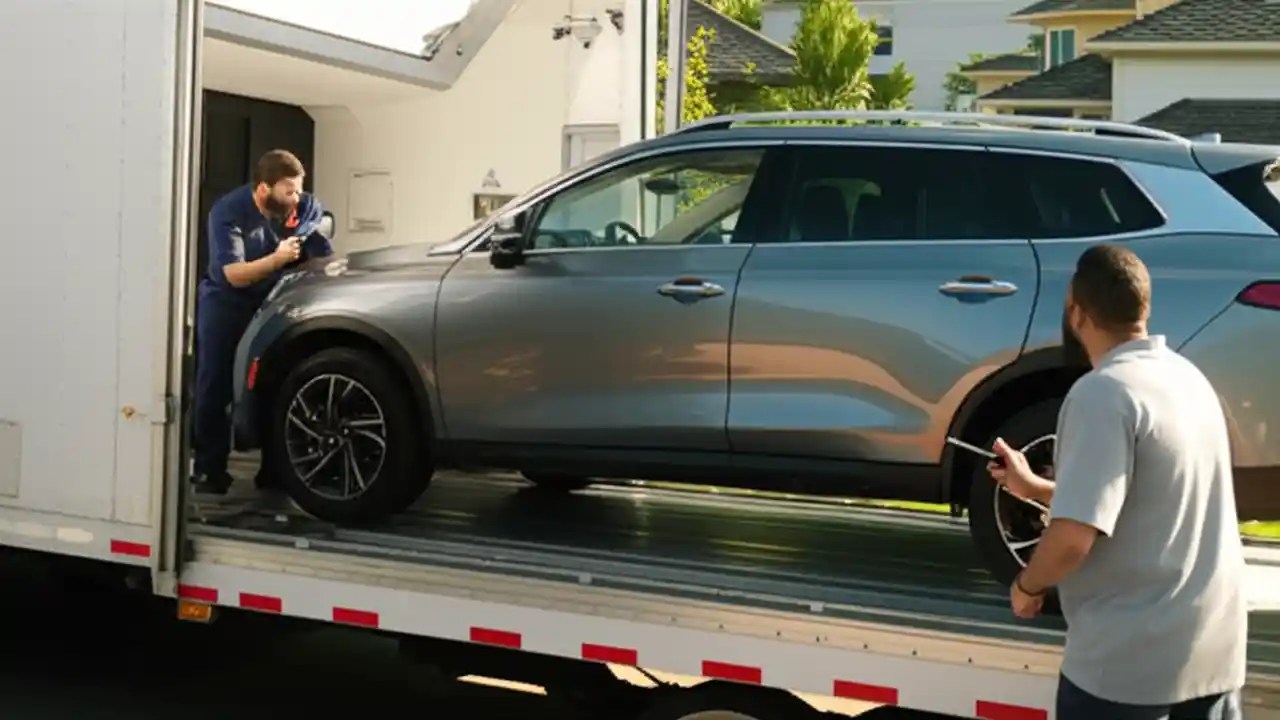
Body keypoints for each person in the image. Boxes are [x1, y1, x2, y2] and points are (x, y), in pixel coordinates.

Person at [989, 243, 1247, 720]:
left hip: (1129, 672)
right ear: (1143, 307)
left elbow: (1072, 539)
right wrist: (1036, 489)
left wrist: (1027, 585)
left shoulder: (1102, 393)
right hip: (1213, 658)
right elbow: (1150, 498)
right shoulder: (1187, 378)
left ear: (1076, 313)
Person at [190, 149, 333, 496]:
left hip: (273, 305)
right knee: (215, 387)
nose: (297, 198)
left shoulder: (302, 206)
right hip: (227, 305)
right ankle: (209, 470)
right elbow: (233, 274)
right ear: (264, 189)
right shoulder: (228, 212)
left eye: (299, 190)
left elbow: (318, 233)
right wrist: (277, 258)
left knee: (275, 382)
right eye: (289, 191)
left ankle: (275, 472)